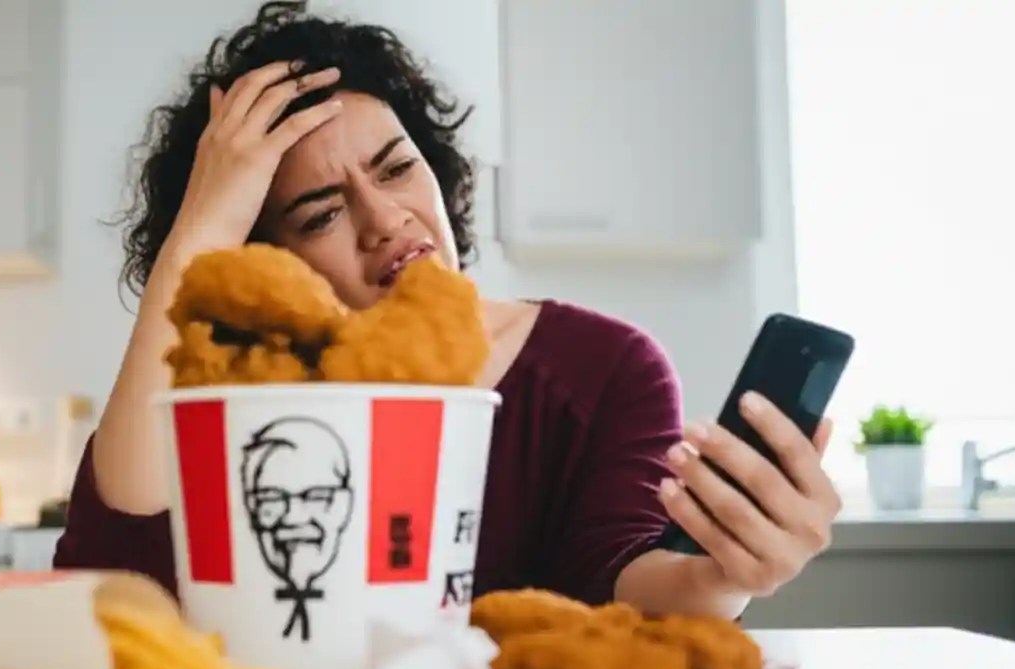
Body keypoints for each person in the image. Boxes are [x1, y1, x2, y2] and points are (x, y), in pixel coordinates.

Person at [54, 1, 842, 619]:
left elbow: (626, 584)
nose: (385, 218)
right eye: (321, 213)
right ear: (262, 262)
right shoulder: (238, 396)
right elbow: (109, 571)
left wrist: (720, 575)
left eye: (397, 168)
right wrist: (202, 222)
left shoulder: (602, 368)